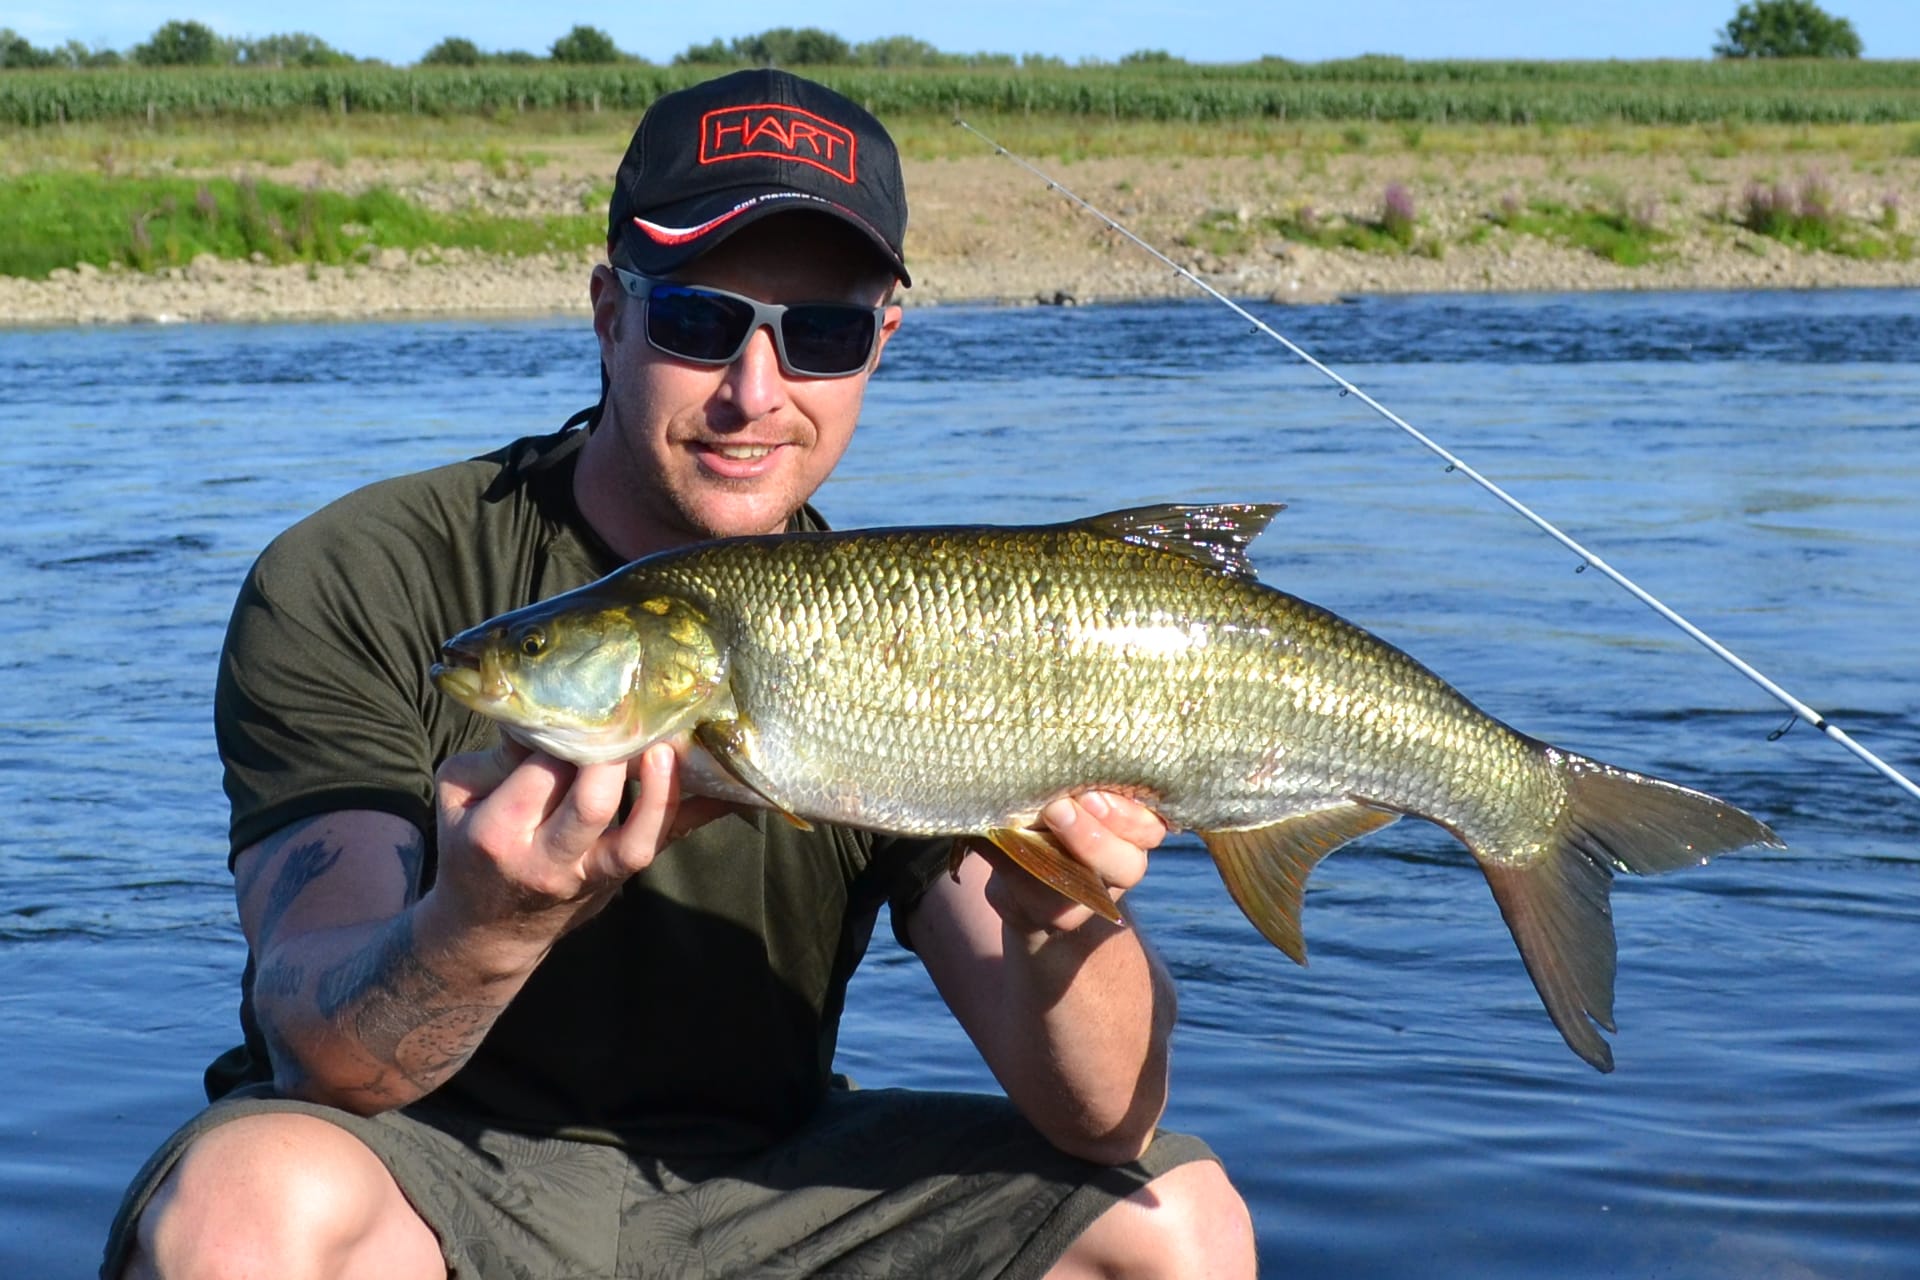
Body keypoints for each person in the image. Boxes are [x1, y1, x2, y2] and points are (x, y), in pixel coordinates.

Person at [104, 69, 1255, 1280]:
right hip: (423, 1162)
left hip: (766, 1185)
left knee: (1173, 1220)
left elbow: (1103, 1120)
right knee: (249, 1211)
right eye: (700, 321)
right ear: (610, 313)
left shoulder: (909, 632)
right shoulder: (363, 573)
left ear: (880, 346)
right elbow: (316, 1049)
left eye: (820, 335)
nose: (754, 392)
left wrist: (1063, 906)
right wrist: (485, 920)